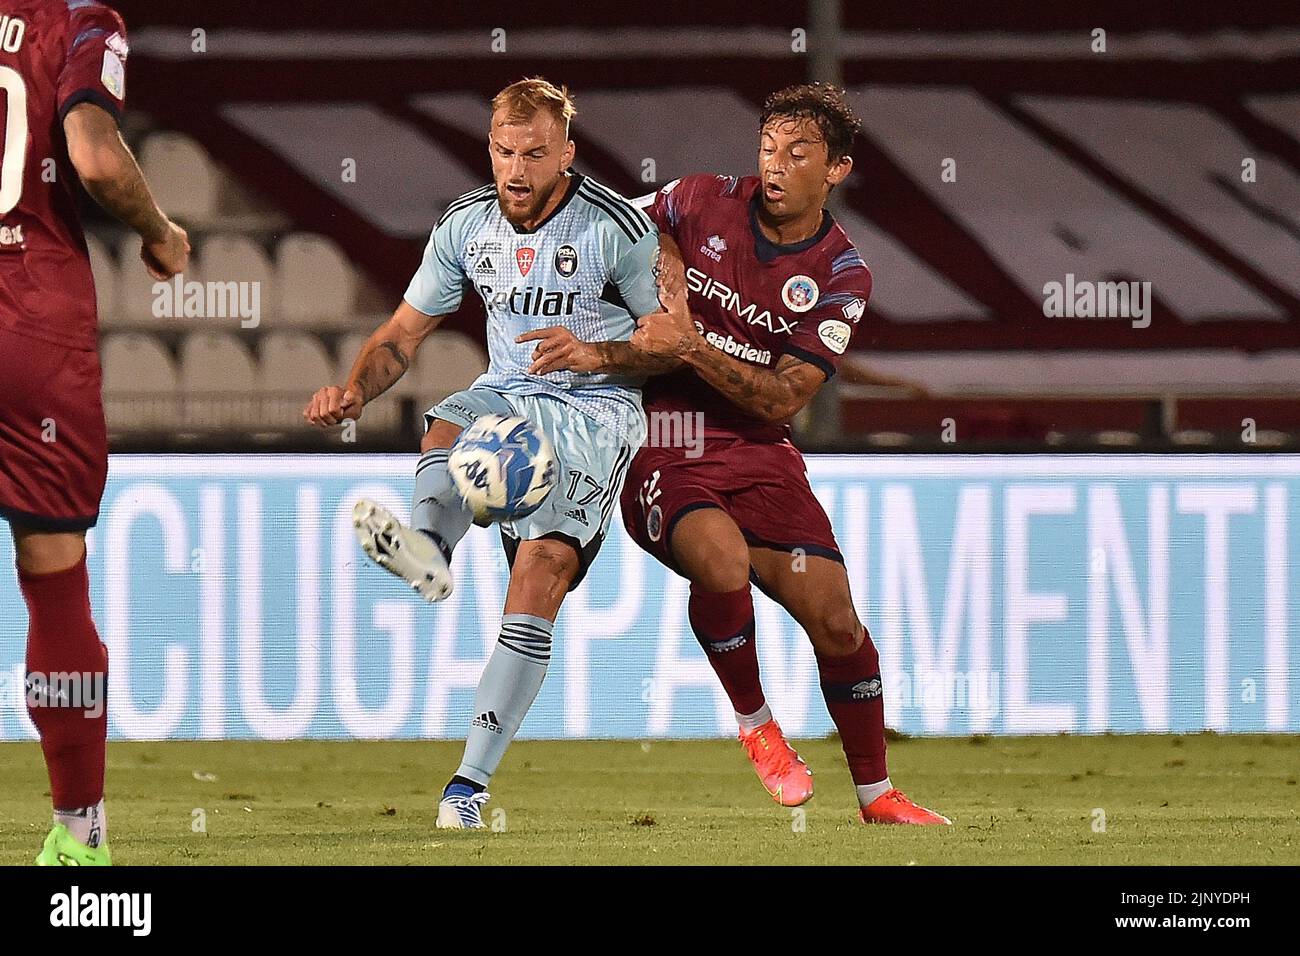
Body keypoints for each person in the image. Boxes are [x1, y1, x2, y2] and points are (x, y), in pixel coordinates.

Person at [523, 84, 950, 824]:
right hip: (664, 436)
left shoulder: (843, 275)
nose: (776, 165)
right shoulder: (698, 200)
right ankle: (758, 727)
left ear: (837, 170)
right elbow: (617, 222)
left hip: (759, 449)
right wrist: (660, 262)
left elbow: (784, 399)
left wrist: (688, 342)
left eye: (798, 153)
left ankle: (878, 796)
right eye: (768, 148)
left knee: (839, 621)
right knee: (719, 560)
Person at [304, 77, 675, 829]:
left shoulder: (614, 227)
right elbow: (401, 337)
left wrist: (597, 352)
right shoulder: (467, 225)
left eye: (535, 154)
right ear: (489, 149)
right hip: (507, 390)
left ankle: (466, 788)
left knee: (541, 573)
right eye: (504, 151)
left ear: (567, 153)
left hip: (594, 412)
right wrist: (354, 390)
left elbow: (669, 341)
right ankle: (428, 548)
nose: (516, 169)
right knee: (445, 421)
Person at [1, 0, 191, 865]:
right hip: (30, 325)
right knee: (54, 579)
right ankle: (79, 838)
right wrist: (160, 233)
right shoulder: (78, 22)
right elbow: (91, 153)